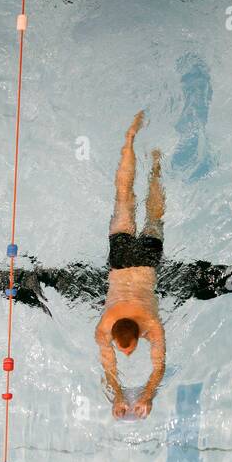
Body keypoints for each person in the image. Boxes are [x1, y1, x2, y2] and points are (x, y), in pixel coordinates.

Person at [95, 110, 168, 420]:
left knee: (153, 217)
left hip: (148, 263)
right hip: (121, 260)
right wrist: (127, 395)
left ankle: (155, 167)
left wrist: (132, 395)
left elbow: (157, 366)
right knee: (123, 196)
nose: (127, 353)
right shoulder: (104, 327)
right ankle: (132, 142)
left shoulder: (152, 325)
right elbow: (111, 367)